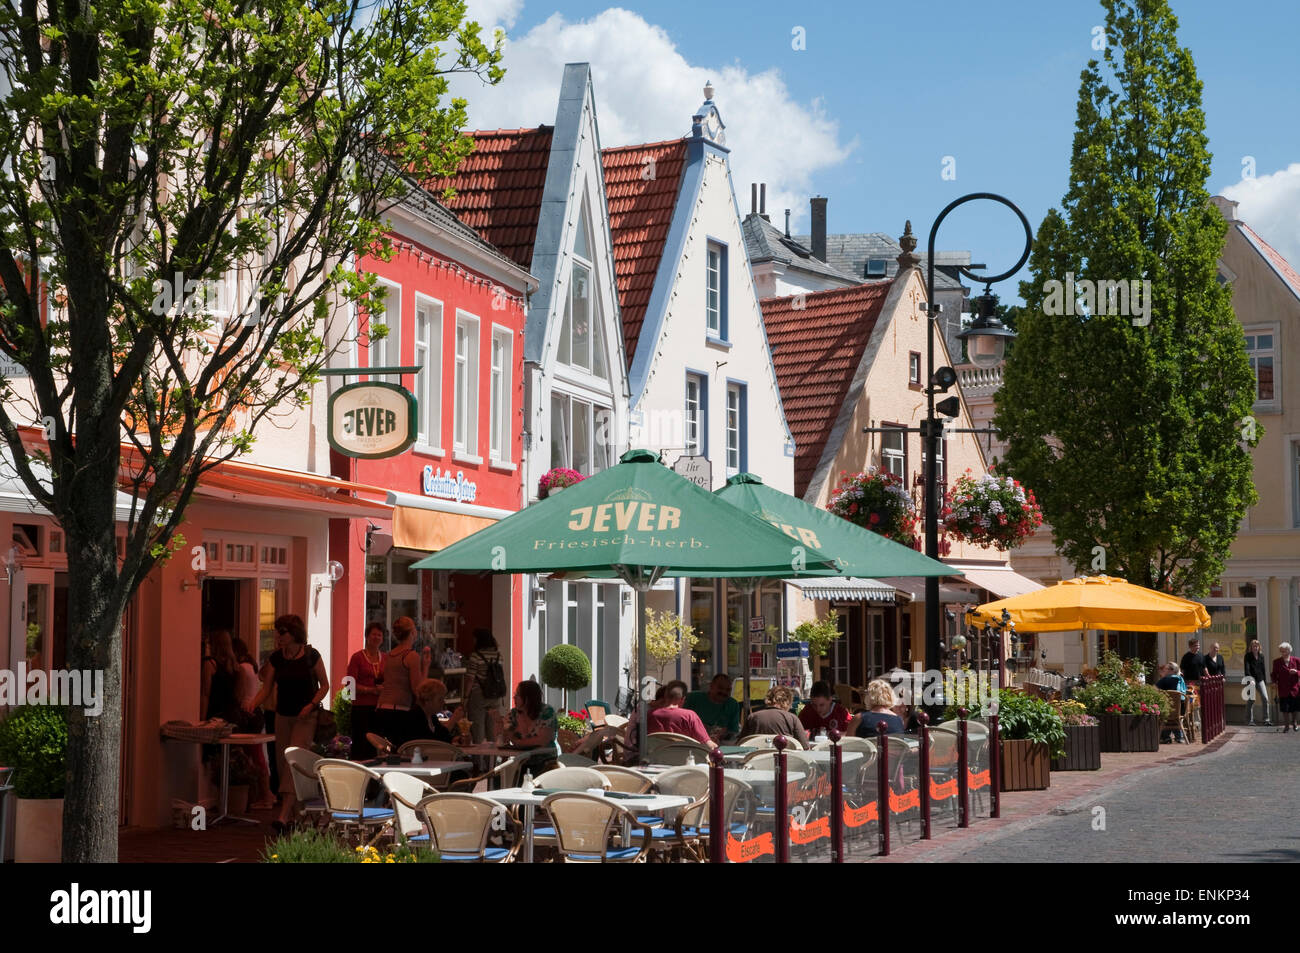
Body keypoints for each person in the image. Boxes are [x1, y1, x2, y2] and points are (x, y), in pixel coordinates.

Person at [244, 614, 327, 832]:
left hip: (305, 718)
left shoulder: (311, 655)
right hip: (282, 716)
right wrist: (253, 703)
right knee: (283, 766)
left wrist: (311, 705)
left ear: (294, 633)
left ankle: (282, 817)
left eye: (282, 632)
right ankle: (299, 817)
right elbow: (266, 688)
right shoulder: (276, 659)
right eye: (276, 631)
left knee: (293, 761)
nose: (278, 636)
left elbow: (324, 685)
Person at [231, 636, 273, 809]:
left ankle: (265, 795)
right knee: (258, 755)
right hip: (255, 712)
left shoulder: (241, 668)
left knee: (253, 755)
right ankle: (263, 794)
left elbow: (240, 695)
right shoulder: (251, 666)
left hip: (247, 712)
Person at [375, 616, 428, 750]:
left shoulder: (390, 654)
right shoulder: (411, 656)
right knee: (402, 752)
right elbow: (418, 689)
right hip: (398, 710)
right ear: (412, 633)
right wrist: (426, 665)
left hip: (381, 707)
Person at [347, 622, 385, 759]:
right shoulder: (357, 658)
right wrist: (371, 690)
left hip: (380, 708)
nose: (377, 637)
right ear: (367, 637)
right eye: (374, 634)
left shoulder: (385, 658)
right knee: (360, 745)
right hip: (361, 709)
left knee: (377, 746)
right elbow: (349, 685)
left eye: (379, 635)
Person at [504, 680, 560, 774]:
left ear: (528, 698)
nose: (514, 697)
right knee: (499, 778)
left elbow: (542, 741)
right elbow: (503, 740)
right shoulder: (513, 714)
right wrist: (497, 722)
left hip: (545, 761)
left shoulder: (546, 712)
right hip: (522, 761)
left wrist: (517, 742)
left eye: (518, 695)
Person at [463, 629, 507, 743]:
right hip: (495, 696)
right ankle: (490, 760)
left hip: (479, 695)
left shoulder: (475, 656)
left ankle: (478, 760)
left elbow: (470, 679)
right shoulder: (499, 656)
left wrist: (466, 697)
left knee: (478, 730)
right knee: (492, 730)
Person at [648, 681, 716, 749]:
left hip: (656, 758)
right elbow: (708, 745)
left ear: (665, 696)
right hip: (684, 758)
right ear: (683, 699)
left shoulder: (649, 715)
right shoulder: (690, 716)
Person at [740, 686, 809, 748]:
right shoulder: (792, 718)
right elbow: (805, 746)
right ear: (787, 702)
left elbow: (740, 743)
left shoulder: (753, 717)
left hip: (757, 760)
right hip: (785, 760)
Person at [685, 674, 741, 743]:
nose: (724, 692)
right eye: (720, 688)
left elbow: (733, 731)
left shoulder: (733, 704)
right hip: (692, 742)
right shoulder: (693, 698)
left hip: (720, 745)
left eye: (728, 689)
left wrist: (723, 733)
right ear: (711, 686)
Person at [200, 630, 240, 723]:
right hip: (232, 713)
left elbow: (205, 693)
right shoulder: (235, 665)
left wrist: (202, 718)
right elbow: (237, 694)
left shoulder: (210, 664)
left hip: (216, 713)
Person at [411, 678, 466, 744]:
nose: (443, 702)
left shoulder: (432, 717)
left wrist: (459, 740)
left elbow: (443, 737)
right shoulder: (416, 717)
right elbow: (433, 741)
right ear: (427, 700)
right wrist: (453, 720)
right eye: (440, 699)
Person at [1271, 643, 1300, 733]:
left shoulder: (1296, 660)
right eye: (1282, 651)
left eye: (1285, 651)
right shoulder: (1277, 662)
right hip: (1283, 688)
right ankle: (1286, 725)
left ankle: (1294, 722)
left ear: (1289, 650)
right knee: (1285, 707)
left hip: (1295, 688)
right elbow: (1274, 674)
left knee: (1295, 707)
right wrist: (1274, 681)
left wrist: (1296, 672)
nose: (1283, 653)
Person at [1155, 663, 1188, 743]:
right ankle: (1179, 737)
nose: (1164, 670)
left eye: (1165, 669)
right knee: (1174, 715)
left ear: (1171, 671)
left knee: (1165, 713)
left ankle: (1165, 737)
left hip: (1167, 710)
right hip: (1181, 710)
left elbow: (1154, 690)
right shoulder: (1181, 679)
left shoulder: (1165, 680)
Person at [1244, 639, 1271, 727]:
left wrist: (1265, 681)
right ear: (1251, 648)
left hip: (1260, 679)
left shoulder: (1261, 656)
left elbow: (1263, 669)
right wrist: (1250, 679)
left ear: (1259, 647)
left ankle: (1266, 720)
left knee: (1265, 698)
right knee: (1251, 699)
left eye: (1257, 646)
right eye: (1253, 646)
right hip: (1251, 679)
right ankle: (1249, 721)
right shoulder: (1248, 656)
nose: (1255, 648)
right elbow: (1247, 669)